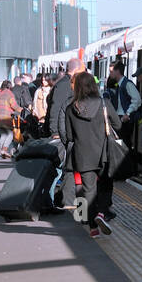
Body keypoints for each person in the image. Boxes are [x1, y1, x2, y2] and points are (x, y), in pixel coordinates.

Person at [65, 71, 118, 238]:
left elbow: (69, 136)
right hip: (104, 153)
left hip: (82, 155)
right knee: (106, 186)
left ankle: (93, 228)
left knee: (89, 191)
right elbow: (117, 124)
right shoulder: (104, 103)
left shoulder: (70, 108)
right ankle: (101, 213)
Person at [47, 59, 84, 208]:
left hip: (64, 135)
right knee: (58, 172)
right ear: (77, 70)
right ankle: (50, 202)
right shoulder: (65, 86)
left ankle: (55, 201)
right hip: (60, 136)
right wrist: (56, 132)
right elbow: (57, 110)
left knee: (62, 171)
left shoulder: (63, 84)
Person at [107, 61, 142, 147]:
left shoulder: (127, 84)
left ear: (117, 71)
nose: (110, 74)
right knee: (120, 144)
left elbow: (137, 100)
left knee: (124, 144)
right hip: (119, 119)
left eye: (111, 71)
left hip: (125, 120)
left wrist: (128, 113)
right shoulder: (119, 84)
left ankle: (126, 160)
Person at [0, 79, 21, 158]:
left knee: (3, 134)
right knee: (10, 134)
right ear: (10, 87)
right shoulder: (9, 94)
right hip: (6, 117)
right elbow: (14, 106)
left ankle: (2, 152)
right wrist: (21, 109)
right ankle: (4, 149)